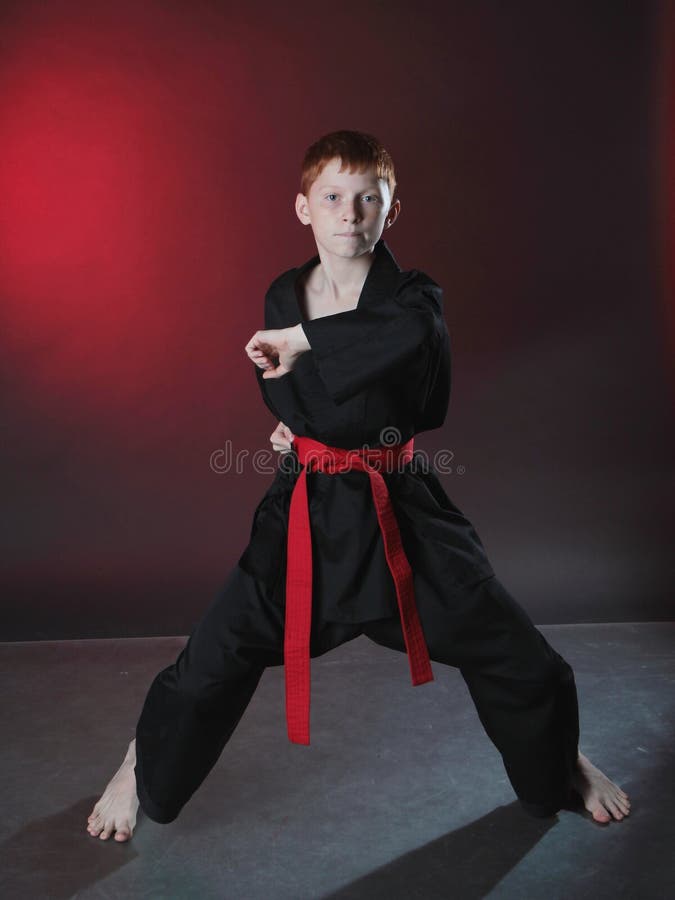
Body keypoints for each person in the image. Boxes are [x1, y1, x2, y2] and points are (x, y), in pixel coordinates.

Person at [86, 130, 631, 842]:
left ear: (391, 211)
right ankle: (139, 764)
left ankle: (561, 762)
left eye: (367, 200)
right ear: (303, 208)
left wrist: (304, 345)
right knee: (206, 666)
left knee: (526, 663)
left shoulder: (413, 297)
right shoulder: (285, 293)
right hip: (307, 515)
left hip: (399, 509)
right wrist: (295, 430)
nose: (349, 214)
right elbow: (287, 388)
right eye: (333, 198)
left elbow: (403, 339)